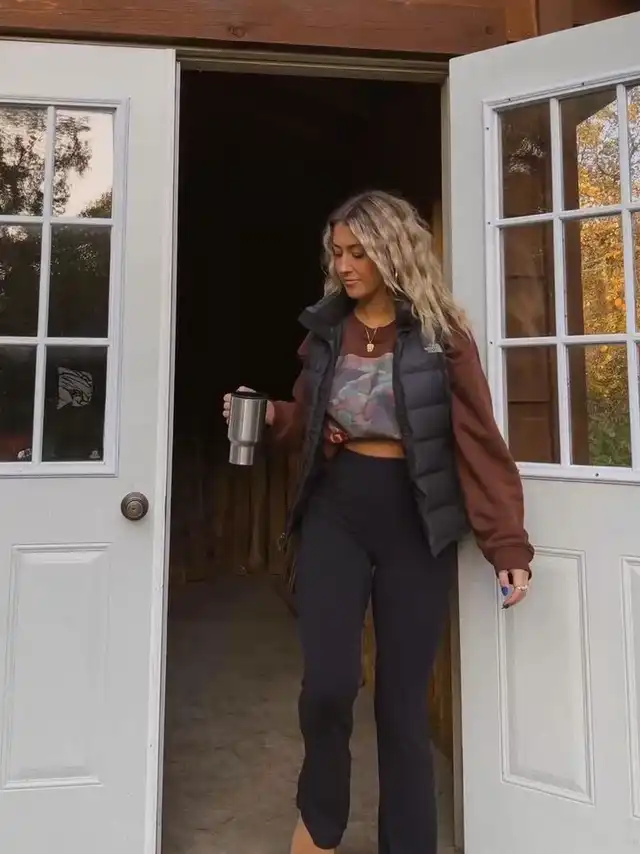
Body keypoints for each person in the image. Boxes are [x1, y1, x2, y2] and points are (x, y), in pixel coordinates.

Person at [222, 190, 533, 854]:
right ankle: (320, 826)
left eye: (359, 253)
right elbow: (308, 420)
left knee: (401, 706)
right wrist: (272, 416)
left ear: (394, 253)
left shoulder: (443, 336)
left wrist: (507, 543)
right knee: (329, 685)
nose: (344, 266)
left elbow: (478, 440)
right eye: (337, 253)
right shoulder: (325, 331)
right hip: (336, 510)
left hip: (415, 521)